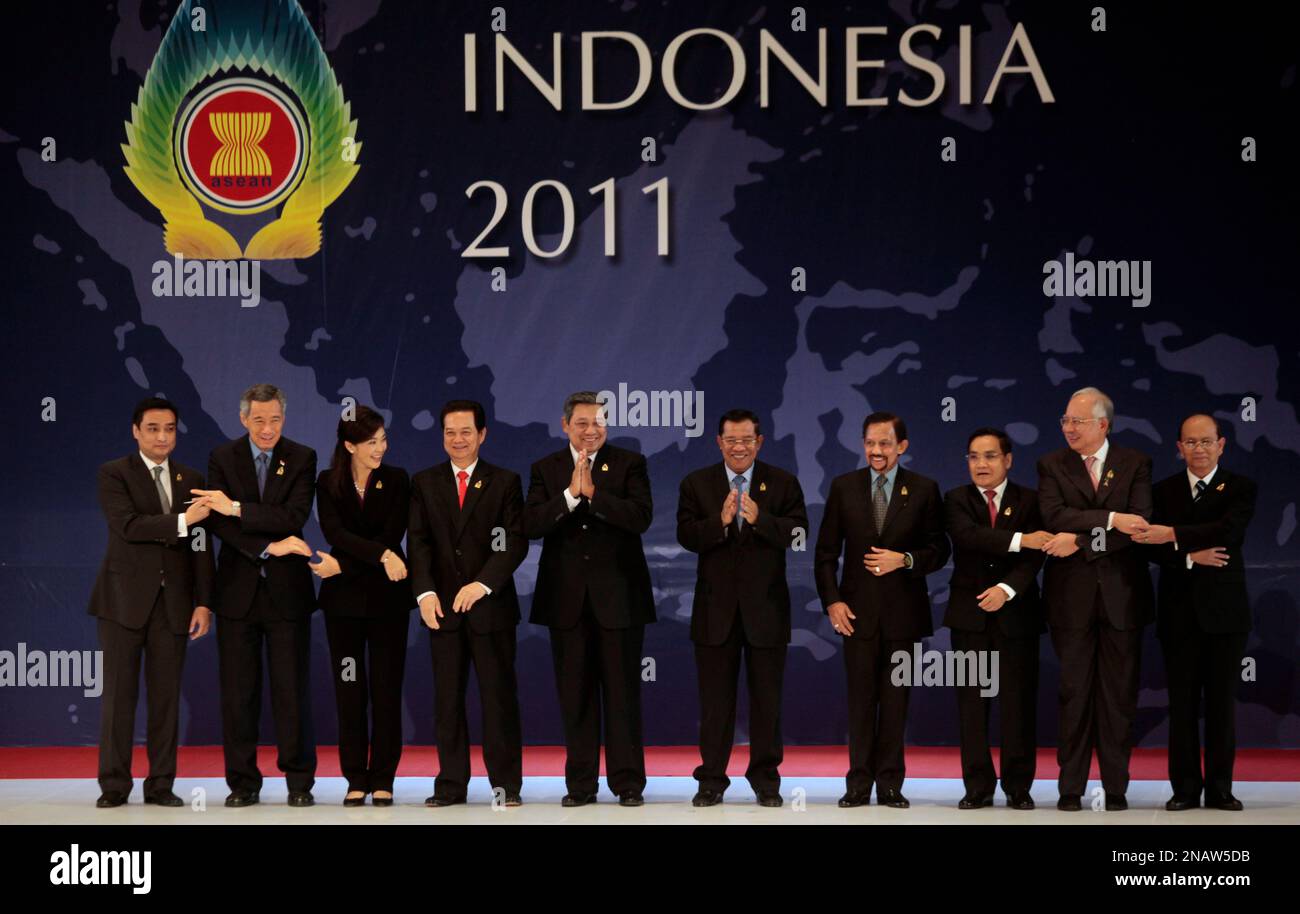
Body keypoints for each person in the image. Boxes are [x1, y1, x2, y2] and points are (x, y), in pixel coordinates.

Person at [524, 391, 655, 806]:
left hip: (620, 600)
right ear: (565, 425)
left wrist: (594, 494)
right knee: (575, 696)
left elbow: (641, 517)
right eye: (582, 422)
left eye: (598, 421)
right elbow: (529, 524)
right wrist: (568, 497)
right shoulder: (545, 469)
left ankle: (628, 782)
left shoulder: (630, 463)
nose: (591, 429)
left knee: (622, 695)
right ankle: (580, 785)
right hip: (566, 602)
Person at [815, 411, 950, 809]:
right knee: (859, 703)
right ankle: (858, 783)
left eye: (885, 444)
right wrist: (833, 601)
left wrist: (905, 560)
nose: (877, 451)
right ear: (863, 444)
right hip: (855, 616)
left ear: (902, 447)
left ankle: (890, 783)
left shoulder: (924, 489)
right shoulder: (844, 487)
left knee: (895, 703)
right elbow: (825, 554)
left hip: (902, 616)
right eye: (871, 443)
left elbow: (940, 548)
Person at [193, 383, 318, 808]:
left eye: (276, 419)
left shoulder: (302, 457)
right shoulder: (222, 457)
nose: (268, 429)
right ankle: (243, 783)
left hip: (287, 595)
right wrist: (268, 545)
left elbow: (294, 515)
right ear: (244, 419)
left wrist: (239, 508)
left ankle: (300, 780)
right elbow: (216, 522)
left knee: (291, 691)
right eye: (259, 420)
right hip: (237, 594)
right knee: (238, 693)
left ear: (284, 418)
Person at [677, 408, 808, 808]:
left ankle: (766, 779)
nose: (739, 447)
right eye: (731, 440)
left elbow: (799, 534)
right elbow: (685, 534)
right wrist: (718, 522)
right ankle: (712, 779)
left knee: (766, 702)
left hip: (766, 612)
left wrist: (762, 519)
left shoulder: (783, 482)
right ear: (718, 442)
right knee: (716, 704)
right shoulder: (697, 483)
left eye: (747, 440)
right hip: (714, 614)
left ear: (759, 442)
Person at [89, 397, 214, 808]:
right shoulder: (114, 474)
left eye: (170, 429)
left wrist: (203, 602)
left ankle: (161, 784)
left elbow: (199, 547)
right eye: (154, 428)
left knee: (165, 699)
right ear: (136, 430)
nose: (163, 437)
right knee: (119, 698)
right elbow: (128, 526)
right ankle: (114, 785)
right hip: (123, 602)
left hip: (174, 605)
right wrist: (183, 520)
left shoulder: (190, 479)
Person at [1037, 386, 1153, 811]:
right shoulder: (1051, 465)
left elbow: (1137, 527)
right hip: (1071, 600)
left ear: (1103, 424)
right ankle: (1070, 788)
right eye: (1065, 420)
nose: (1069, 428)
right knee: (1073, 693)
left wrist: (1083, 543)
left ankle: (1117, 788)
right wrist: (1109, 518)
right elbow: (1055, 516)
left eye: (1078, 421)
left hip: (1122, 597)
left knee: (1118, 695)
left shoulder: (1135, 464)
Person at [1134, 413, 1257, 811]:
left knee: (1221, 705)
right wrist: (1189, 557)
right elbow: (1145, 544)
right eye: (1190, 442)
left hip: (1226, 616)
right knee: (1182, 706)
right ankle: (1185, 789)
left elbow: (1229, 531)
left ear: (1222, 445)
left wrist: (1174, 535)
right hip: (1179, 614)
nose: (1198, 449)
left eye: (1206, 442)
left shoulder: (1240, 487)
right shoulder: (1163, 491)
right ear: (1178, 447)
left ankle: (1221, 788)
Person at [408, 400, 528, 807]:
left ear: (482, 434)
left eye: (465, 432)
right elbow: (419, 542)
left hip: (490, 610)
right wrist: (424, 593)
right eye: (449, 433)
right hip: (441, 611)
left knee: (498, 700)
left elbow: (513, 541)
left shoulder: (505, 481)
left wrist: (482, 584)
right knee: (447, 701)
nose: (457, 440)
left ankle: (506, 786)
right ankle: (451, 785)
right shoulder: (425, 482)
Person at [309, 405, 412, 807]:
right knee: (349, 690)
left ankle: (383, 776)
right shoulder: (327, 482)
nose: (380, 448)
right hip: (344, 607)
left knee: (386, 692)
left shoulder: (398, 480)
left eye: (383, 440)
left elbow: (392, 533)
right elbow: (335, 531)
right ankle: (355, 777)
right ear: (349, 445)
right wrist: (382, 558)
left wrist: (346, 564)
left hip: (388, 604)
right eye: (371, 442)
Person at [943, 427, 1049, 810]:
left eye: (989, 456)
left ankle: (1018, 787)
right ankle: (977, 787)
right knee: (972, 706)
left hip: (1016, 617)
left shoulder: (1032, 500)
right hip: (968, 619)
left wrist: (1006, 589)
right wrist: (1022, 538)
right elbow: (968, 537)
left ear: (1008, 460)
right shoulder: (955, 499)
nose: (981, 464)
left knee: (1018, 707)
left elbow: (1037, 556)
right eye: (973, 456)